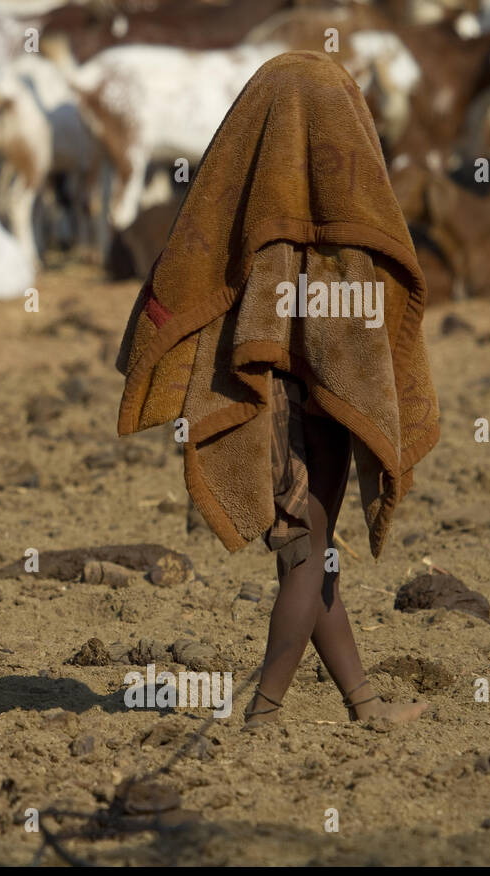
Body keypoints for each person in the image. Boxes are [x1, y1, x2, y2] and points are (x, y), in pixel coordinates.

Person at [114, 53, 440, 726]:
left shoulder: (246, 223)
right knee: (304, 559)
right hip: (302, 417)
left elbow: (194, 284)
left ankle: (365, 705)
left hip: (283, 411)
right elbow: (360, 336)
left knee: (315, 559)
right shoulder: (345, 243)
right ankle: (263, 712)